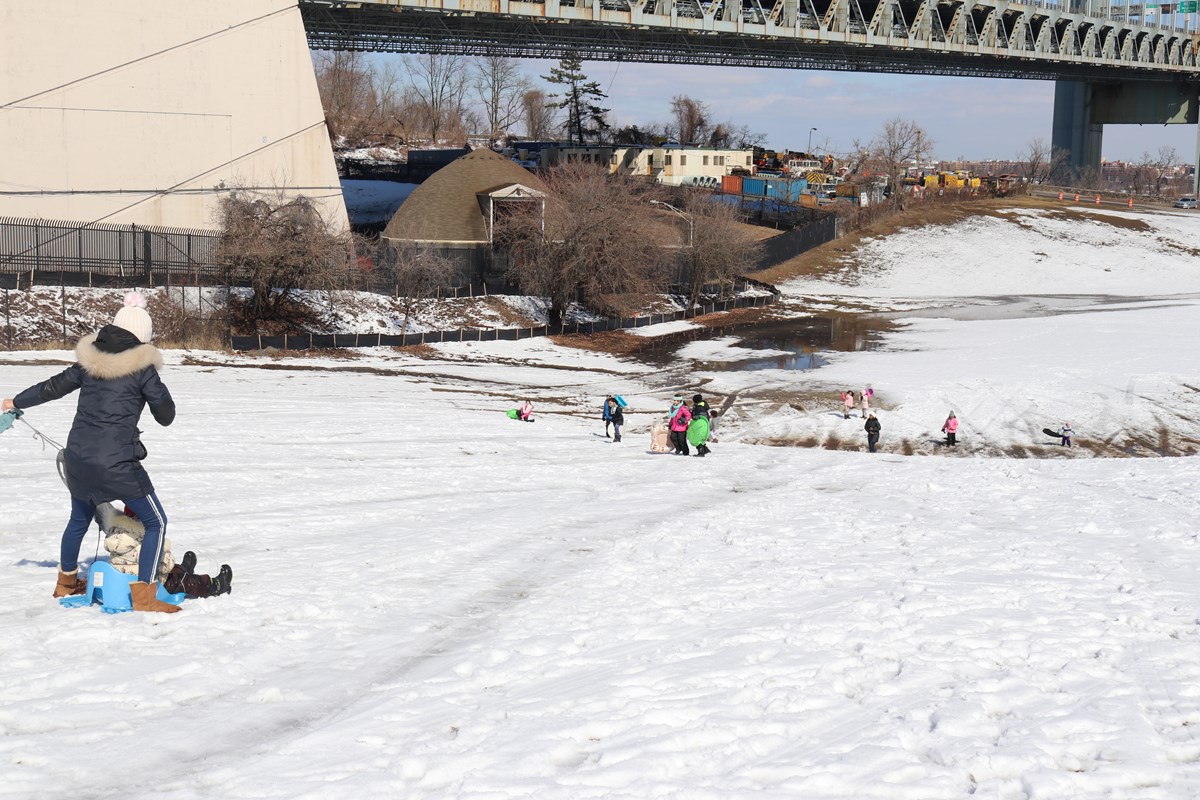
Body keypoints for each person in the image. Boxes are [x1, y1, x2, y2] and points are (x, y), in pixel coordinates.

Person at [2, 292, 179, 612]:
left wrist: (15, 401)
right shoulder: (143, 367)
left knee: (78, 520)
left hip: (79, 460)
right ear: (144, 337)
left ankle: (66, 583)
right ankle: (145, 596)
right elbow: (166, 416)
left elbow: (51, 387)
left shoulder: (90, 361)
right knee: (156, 522)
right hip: (117, 463)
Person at [99, 503, 232, 598]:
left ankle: (182, 568)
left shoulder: (116, 535)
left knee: (162, 568)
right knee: (183, 581)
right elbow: (166, 565)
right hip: (146, 586)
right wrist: (165, 550)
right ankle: (214, 585)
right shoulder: (142, 544)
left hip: (123, 583)